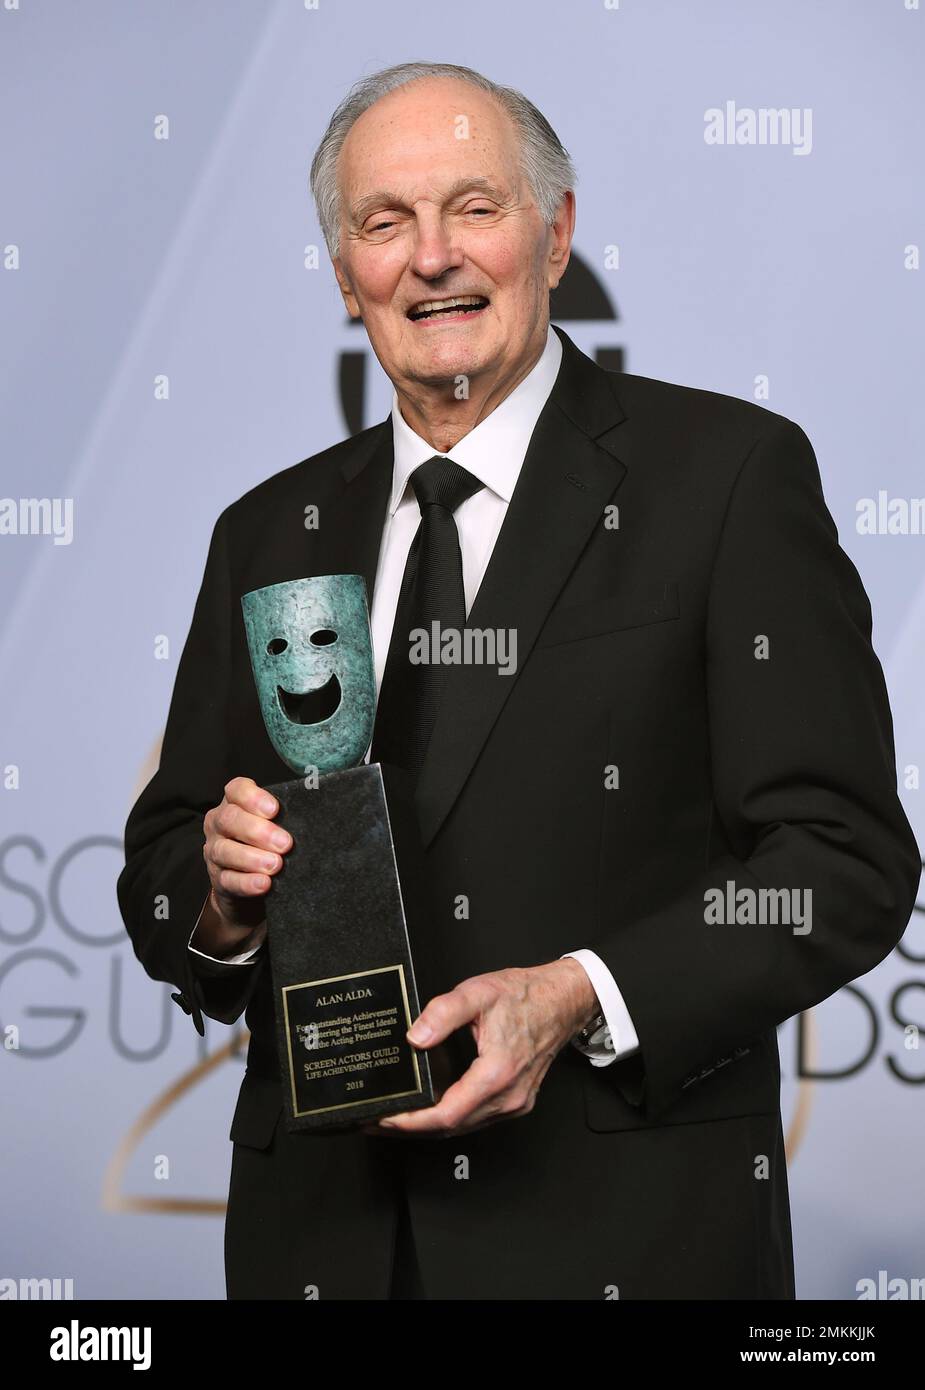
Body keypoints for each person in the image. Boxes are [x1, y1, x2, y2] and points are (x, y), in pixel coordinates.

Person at [117, 61, 920, 1300]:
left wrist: (582, 994)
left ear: (556, 236)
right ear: (345, 276)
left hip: (624, 1240)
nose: (430, 256)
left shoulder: (724, 478)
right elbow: (170, 871)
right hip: (319, 1247)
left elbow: (841, 857)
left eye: (473, 208)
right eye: (385, 224)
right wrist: (219, 904)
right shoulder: (266, 532)